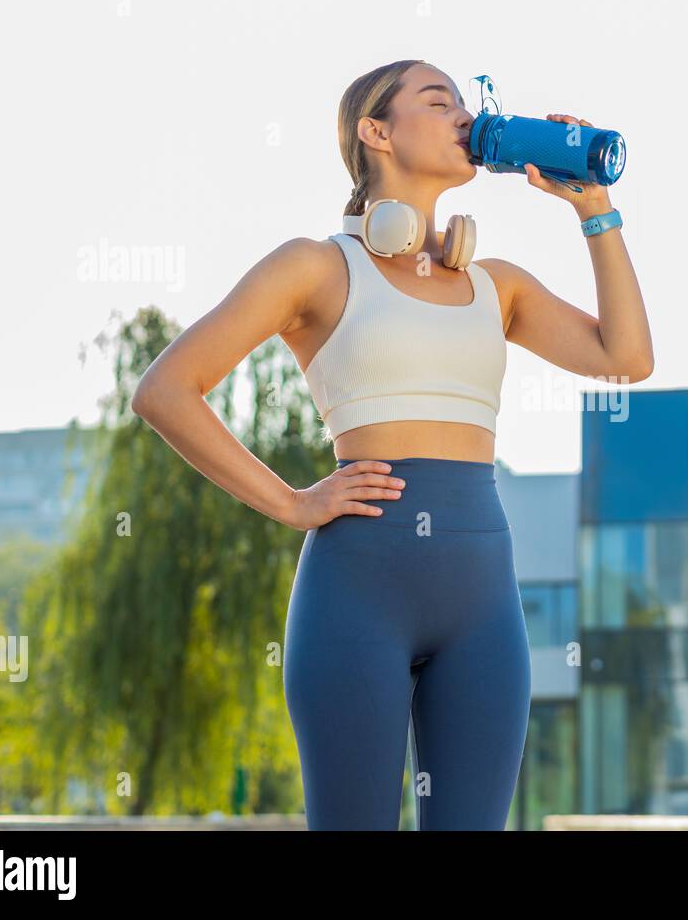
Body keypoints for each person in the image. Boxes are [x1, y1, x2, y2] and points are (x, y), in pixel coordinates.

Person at [131, 59, 653, 829]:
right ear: (376, 131)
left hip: (482, 603)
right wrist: (292, 501)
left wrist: (594, 210)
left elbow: (627, 358)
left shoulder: (494, 284)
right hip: (357, 593)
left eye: (463, 105)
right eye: (438, 102)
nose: (462, 119)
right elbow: (164, 390)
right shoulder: (313, 267)